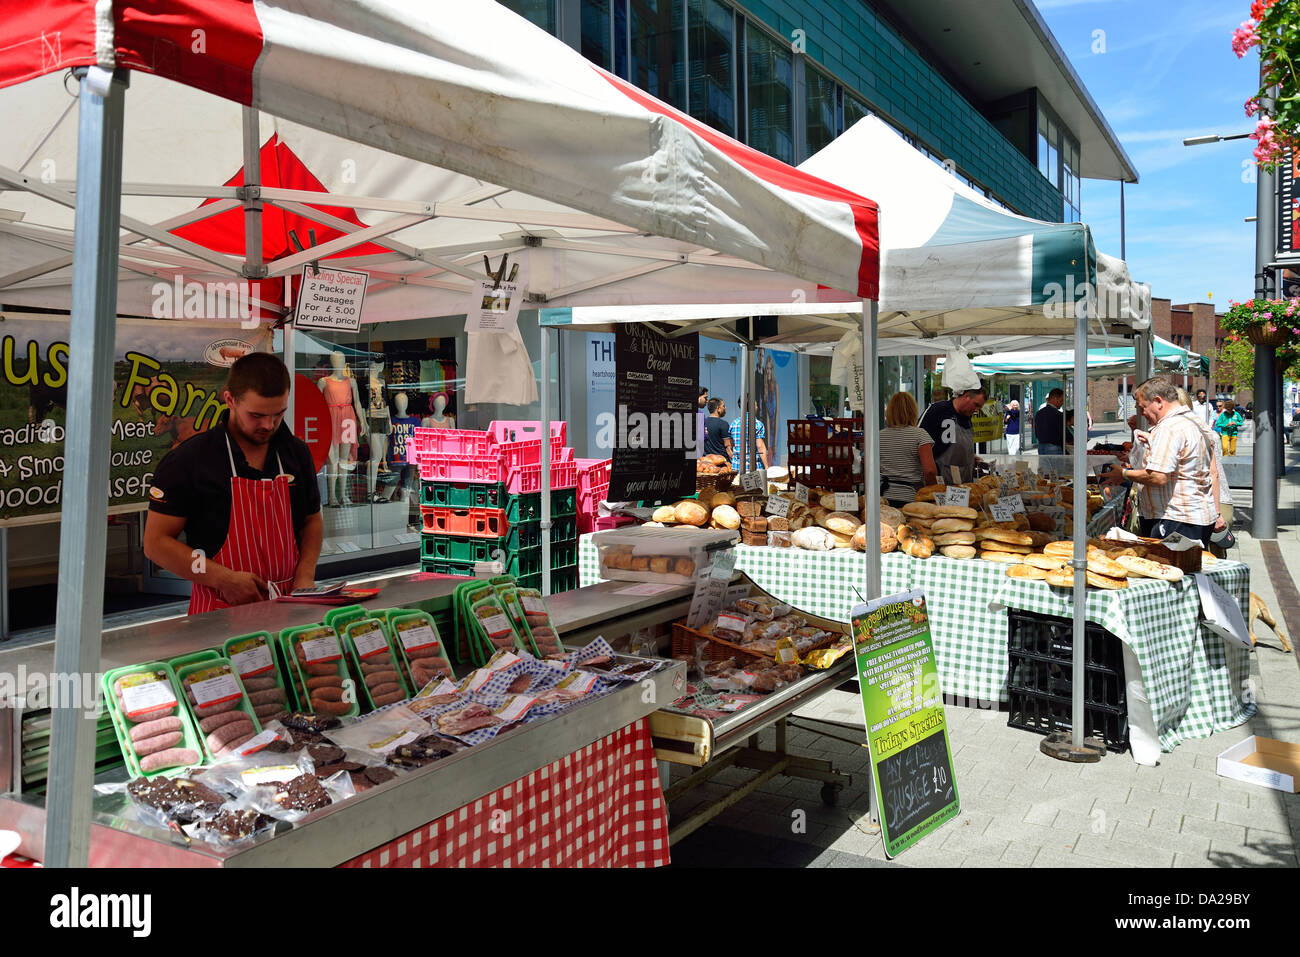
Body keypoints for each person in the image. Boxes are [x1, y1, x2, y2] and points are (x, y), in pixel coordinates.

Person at [144, 353, 323, 613]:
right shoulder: (188, 460)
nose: (268, 425)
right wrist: (222, 579)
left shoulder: (296, 453)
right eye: (256, 415)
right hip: (220, 612)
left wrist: (305, 576)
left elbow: (311, 519)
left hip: (291, 609)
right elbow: (156, 544)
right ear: (230, 400)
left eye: (278, 414)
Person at [1100, 376, 1216, 545]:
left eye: (1142, 407)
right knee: (1186, 568)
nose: (1141, 413)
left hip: (1175, 519)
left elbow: (1158, 476)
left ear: (1158, 401)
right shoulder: (1194, 422)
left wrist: (1124, 473)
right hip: (1194, 515)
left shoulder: (1169, 428)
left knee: (1170, 568)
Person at [919, 382, 987, 484]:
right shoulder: (937, 410)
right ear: (967, 396)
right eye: (976, 405)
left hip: (964, 486)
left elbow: (955, 444)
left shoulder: (967, 418)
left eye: (979, 408)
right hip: (940, 484)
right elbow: (918, 440)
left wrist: (970, 457)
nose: (976, 410)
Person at [879, 391, 937, 506]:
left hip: (883, 496)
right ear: (913, 411)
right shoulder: (920, 435)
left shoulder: (878, 436)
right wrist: (932, 491)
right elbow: (930, 471)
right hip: (911, 497)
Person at [730, 399, 770, 471]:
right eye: (756, 405)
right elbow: (760, 446)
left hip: (736, 467)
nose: (757, 407)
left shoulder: (734, 424)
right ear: (752, 407)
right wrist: (766, 466)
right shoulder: (757, 424)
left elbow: (731, 445)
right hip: (753, 467)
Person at [1034, 388, 1066, 456]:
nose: (1062, 403)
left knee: (1044, 466)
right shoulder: (1058, 414)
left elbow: (1036, 432)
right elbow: (1063, 433)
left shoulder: (1039, 413)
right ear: (1055, 399)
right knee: (1056, 467)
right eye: (1061, 400)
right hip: (1054, 447)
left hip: (1041, 446)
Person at [703, 397, 732, 465]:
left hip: (706, 462)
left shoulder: (702, 422)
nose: (725, 408)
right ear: (718, 409)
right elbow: (728, 447)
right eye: (723, 406)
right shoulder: (723, 424)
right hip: (721, 463)